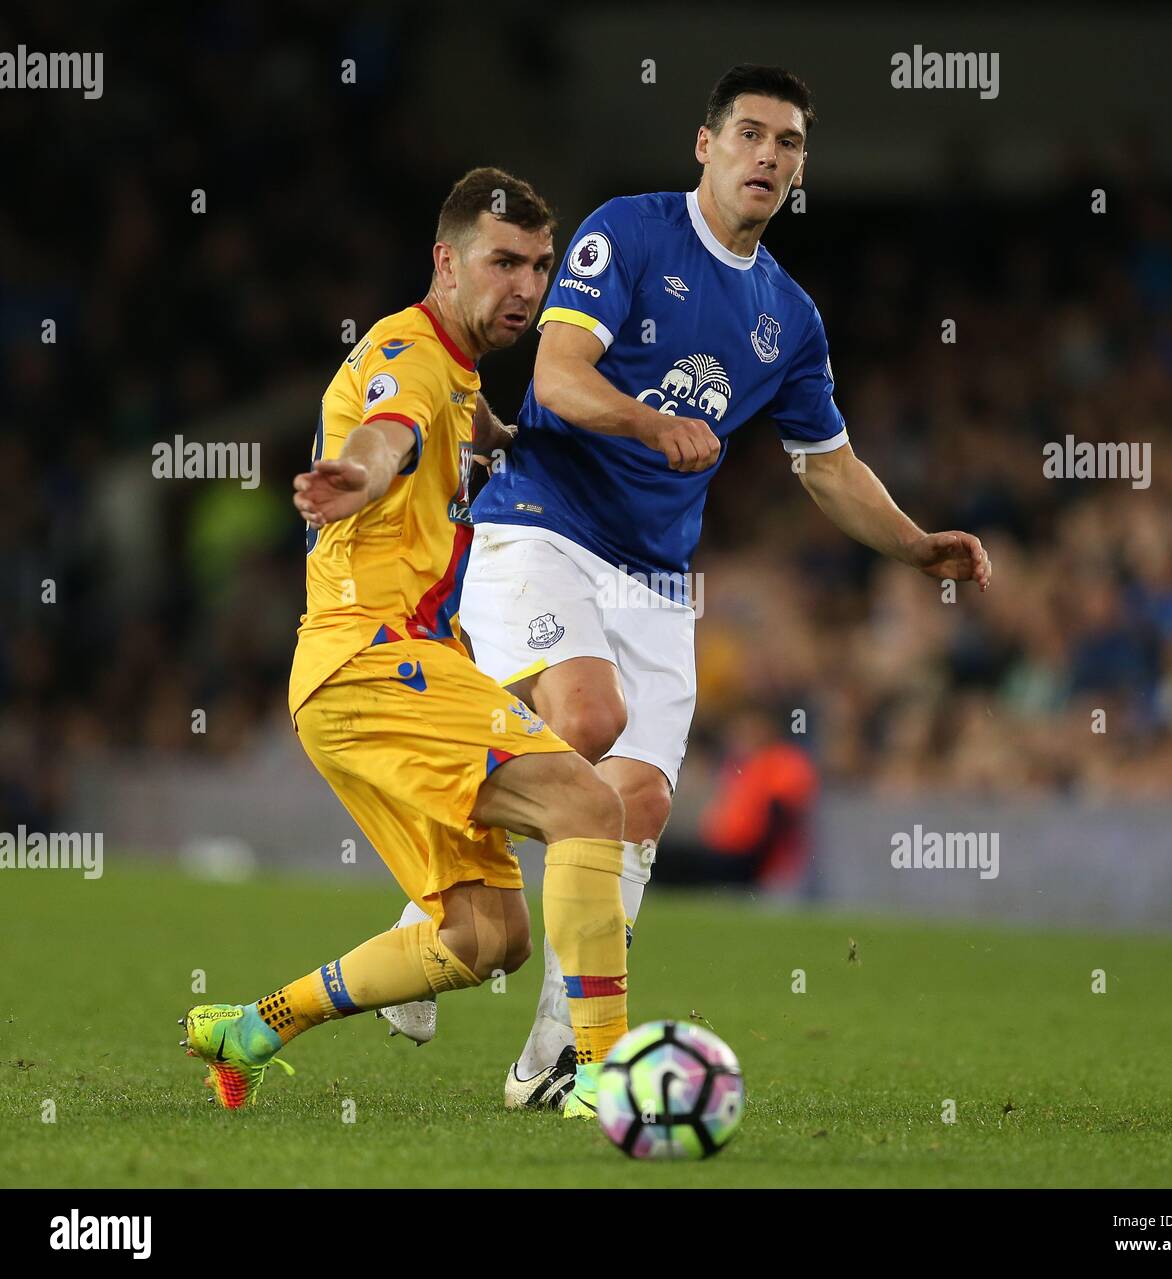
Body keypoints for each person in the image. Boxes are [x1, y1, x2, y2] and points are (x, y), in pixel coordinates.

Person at [387, 66, 992, 1109]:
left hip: (656, 577)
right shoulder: (628, 233)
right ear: (704, 146)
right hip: (541, 523)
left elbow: (826, 464)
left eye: (789, 143)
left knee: (642, 804)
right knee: (583, 717)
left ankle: (551, 1053)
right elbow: (560, 376)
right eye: (750, 134)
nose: (769, 156)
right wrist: (647, 420)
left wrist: (912, 545)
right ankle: (436, 891)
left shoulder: (789, 317)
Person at [181, 168, 633, 1119]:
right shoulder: (411, 349)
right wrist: (360, 470)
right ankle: (605, 1076)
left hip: (358, 677)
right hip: (373, 656)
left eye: (542, 267)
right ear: (447, 261)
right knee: (589, 804)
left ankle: (254, 1026)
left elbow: (461, 427)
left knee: (485, 936)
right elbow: (392, 428)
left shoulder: (460, 381)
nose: (528, 287)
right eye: (503, 262)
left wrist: (523, 439)